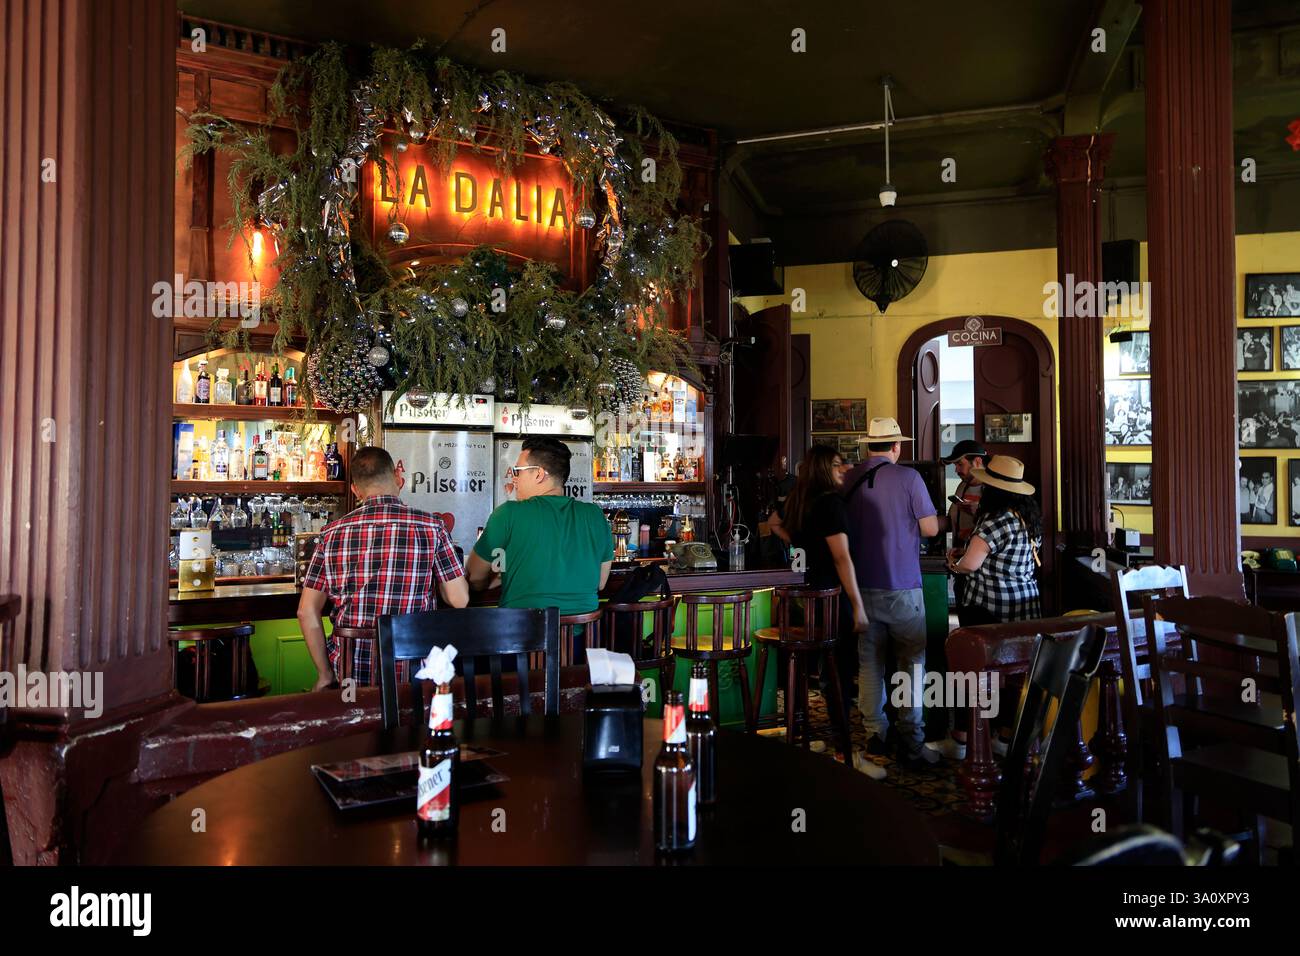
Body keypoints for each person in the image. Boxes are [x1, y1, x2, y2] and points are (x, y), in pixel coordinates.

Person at [297, 446, 470, 690]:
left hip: (350, 678)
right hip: (412, 679)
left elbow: (306, 612)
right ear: (399, 479)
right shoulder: (432, 527)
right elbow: (460, 599)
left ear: (355, 490)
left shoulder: (330, 533)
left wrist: (325, 675)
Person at [841, 417, 941, 769]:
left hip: (861, 585)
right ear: (896, 446)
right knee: (911, 663)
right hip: (903, 587)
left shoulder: (849, 478)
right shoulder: (909, 478)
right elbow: (929, 528)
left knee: (870, 662)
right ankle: (911, 739)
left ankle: (875, 734)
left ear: (869, 446)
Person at [767, 445, 871, 723]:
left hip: (804, 594)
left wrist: (801, 542)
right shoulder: (831, 503)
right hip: (831, 595)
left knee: (816, 662)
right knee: (839, 665)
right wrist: (858, 605)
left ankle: (802, 723)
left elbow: (773, 523)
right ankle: (841, 739)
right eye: (838, 464)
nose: (845, 469)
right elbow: (841, 557)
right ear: (825, 468)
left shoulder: (798, 499)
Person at [467, 437, 614, 619]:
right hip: (580, 639)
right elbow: (601, 582)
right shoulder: (595, 516)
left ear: (538, 474)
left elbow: (474, 577)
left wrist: (498, 578)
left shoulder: (508, 514)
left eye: (517, 471)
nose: (513, 478)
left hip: (522, 638)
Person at [947, 456, 1042, 624]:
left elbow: (970, 564)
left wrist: (953, 565)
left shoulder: (996, 521)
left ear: (993, 490)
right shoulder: (1026, 517)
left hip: (991, 607)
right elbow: (1007, 555)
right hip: (1025, 603)